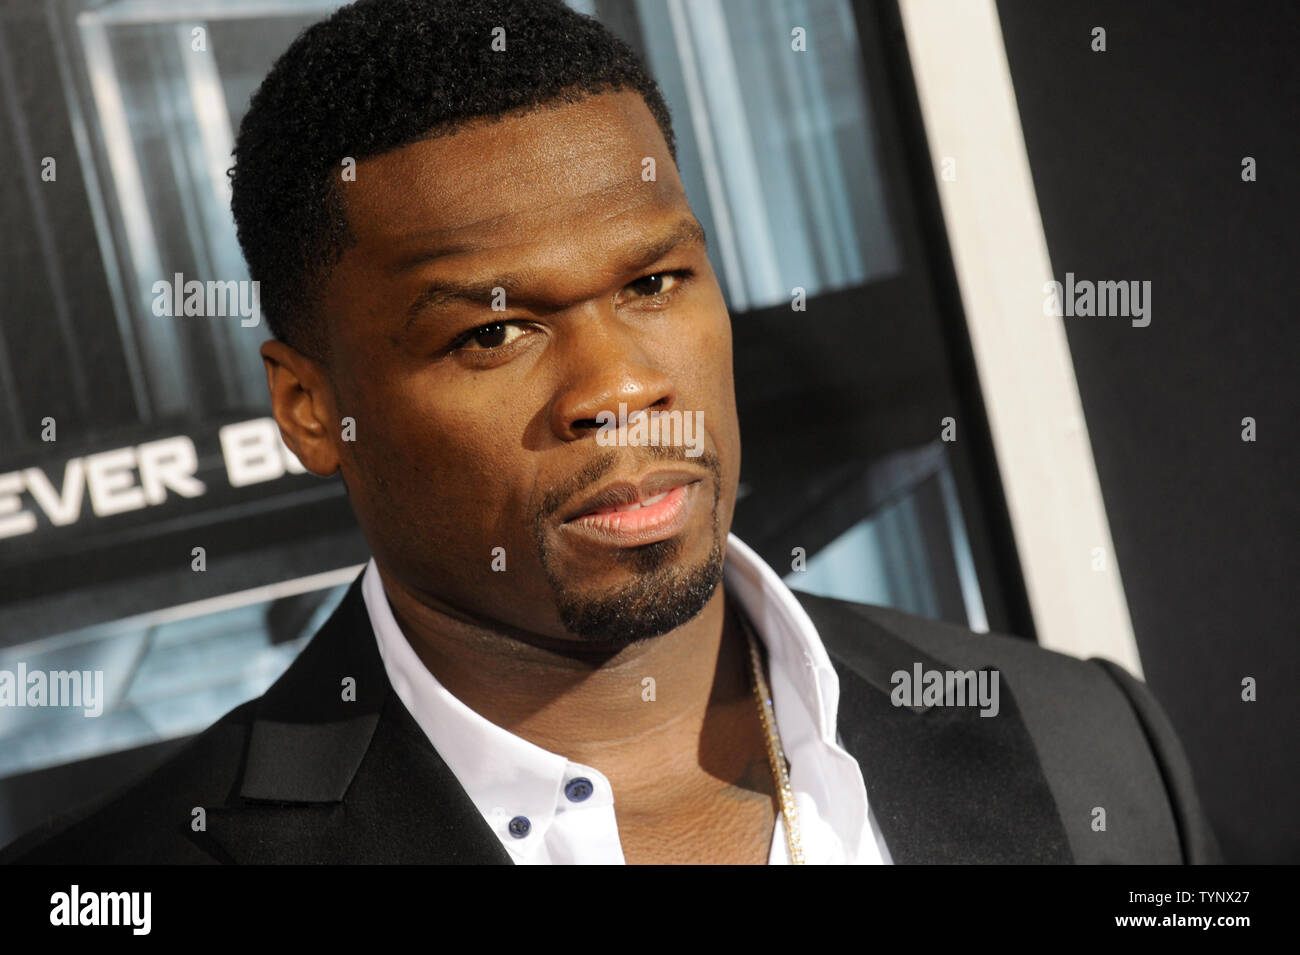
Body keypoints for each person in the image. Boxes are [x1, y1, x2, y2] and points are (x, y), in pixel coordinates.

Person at [1, 0, 1217, 865]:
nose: (619, 384)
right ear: (310, 408)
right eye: (493, 333)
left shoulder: (1084, 738)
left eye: (650, 284)